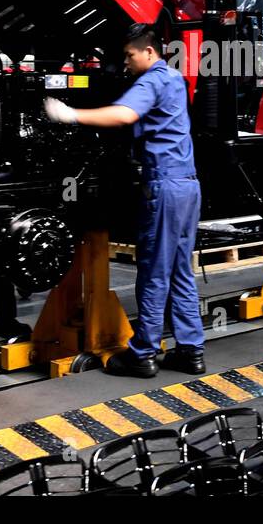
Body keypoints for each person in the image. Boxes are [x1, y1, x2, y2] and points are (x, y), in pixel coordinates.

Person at [43, 23, 204, 378]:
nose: (126, 63)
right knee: (179, 270)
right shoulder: (175, 79)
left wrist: (71, 115)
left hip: (163, 186)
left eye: (130, 56)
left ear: (149, 52)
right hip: (188, 185)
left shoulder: (151, 81)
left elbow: (125, 114)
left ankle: (143, 354)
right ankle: (190, 351)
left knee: (154, 272)